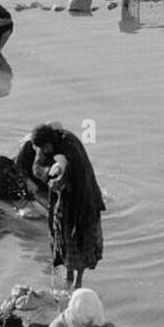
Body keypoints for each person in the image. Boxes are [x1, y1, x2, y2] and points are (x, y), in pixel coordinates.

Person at [31, 123, 106, 289]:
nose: (45, 150)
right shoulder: (43, 147)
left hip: (83, 197)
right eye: (43, 148)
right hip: (62, 200)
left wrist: (62, 180)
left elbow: (79, 170)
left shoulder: (70, 144)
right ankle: (69, 274)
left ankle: (78, 280)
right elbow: (36, 167)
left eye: (46, 147)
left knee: (81, 237)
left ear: (51, 140)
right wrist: (50, 173)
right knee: (62, 237)